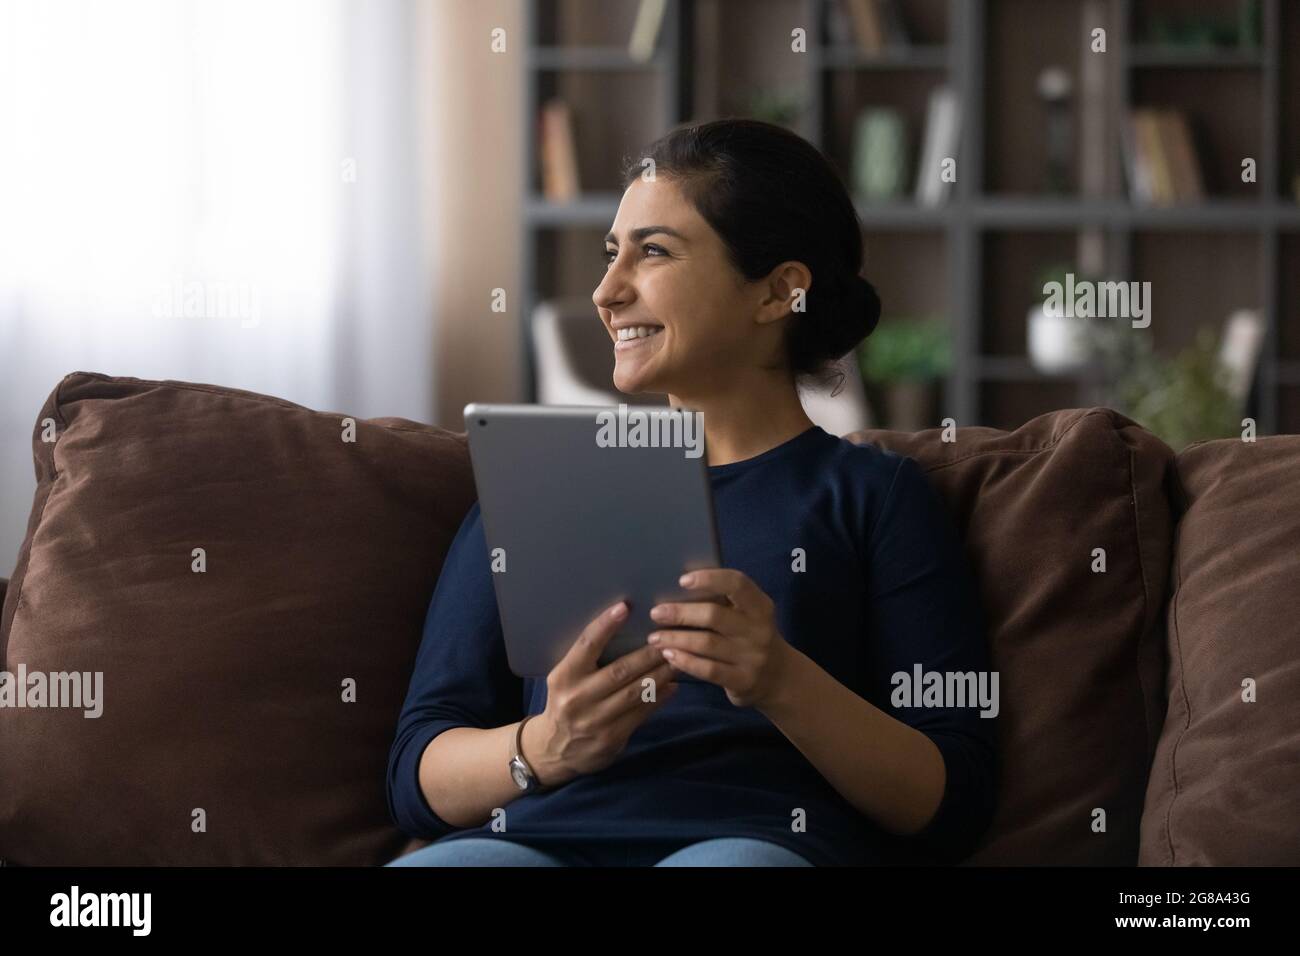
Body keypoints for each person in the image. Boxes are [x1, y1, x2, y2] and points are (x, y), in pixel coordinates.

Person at [385, 118, 998, 867]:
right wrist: (542, 746)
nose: (607, 292)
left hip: (760, 840)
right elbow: (417, 773)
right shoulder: (541, 487)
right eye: (612, 255)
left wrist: (780, 679)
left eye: (653, 252)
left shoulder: (874, 497)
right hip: (538, 839)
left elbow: (954, 796)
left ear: (779, 292)